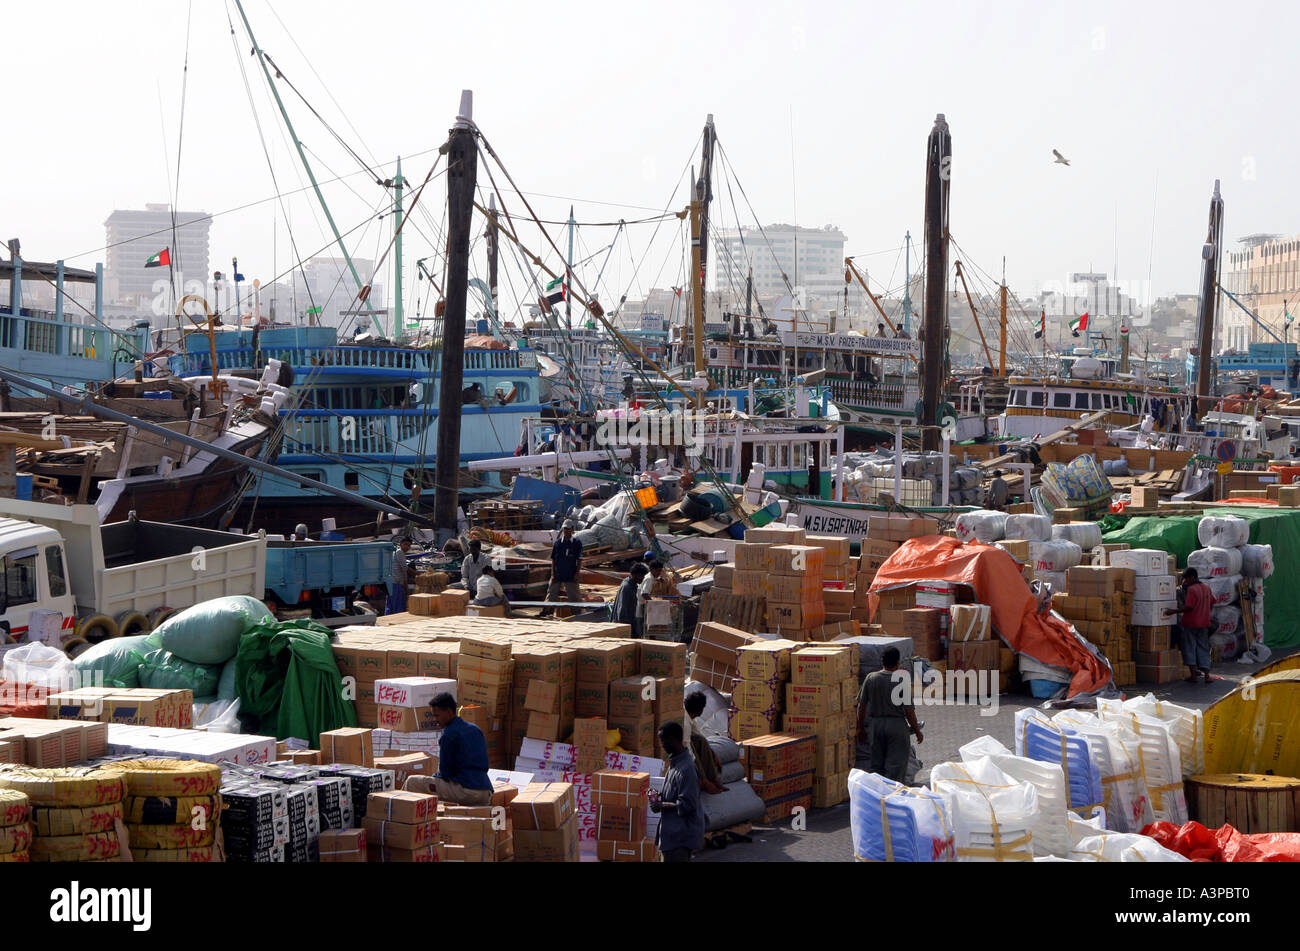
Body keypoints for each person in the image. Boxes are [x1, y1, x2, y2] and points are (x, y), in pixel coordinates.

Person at [403, 693, 494, 805]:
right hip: (485, 792)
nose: (435, 720)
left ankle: (400, 817)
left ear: (449, 712)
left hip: (466, 791)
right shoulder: (475, 729)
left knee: (413, 782)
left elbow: (445, 773)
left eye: (437, 716)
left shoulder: (449, 735)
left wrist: (433, 777)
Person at [856, 647, 923, 783]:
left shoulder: (871, 678)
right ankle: (892, 798)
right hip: (896, 727)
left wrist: (860, 728)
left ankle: (878, 796)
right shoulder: (901, 681)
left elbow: (861, 707)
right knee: (896, 768)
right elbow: (909, 711)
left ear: (882, 661)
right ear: (898, 663)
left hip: (876, 727)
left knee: (876, 767)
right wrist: (917, 730)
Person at [651, 721, 705, 862]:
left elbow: (687, 804)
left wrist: (661, 805)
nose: (662, 745)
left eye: (663, 741)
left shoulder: (687, 770)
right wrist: (658, 796)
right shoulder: (675, 765)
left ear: (672, 740)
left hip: (679, 839)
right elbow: (672, 794)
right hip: (669, 836)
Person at [1165, 567, 1213, 684]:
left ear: (1192, 578)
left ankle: (1194, 677)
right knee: (1203, 648)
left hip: (1191, 623)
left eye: (1186, 579)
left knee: (1189, 648)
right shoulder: (1206, 588)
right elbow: (1212, 602)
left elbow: (1189, 607)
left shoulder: (1192, 590)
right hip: (1204, 623)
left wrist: (1173, 611)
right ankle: (1207, 676)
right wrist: (1205, 612)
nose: (1184, 582)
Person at [684, 692, 726, 795]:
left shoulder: (689, 717)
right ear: (700, 710)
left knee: (700, 740)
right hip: (681, 752)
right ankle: (704, 782)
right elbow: (687, 750)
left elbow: (700, 736)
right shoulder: (685, 723)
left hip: (687, 745)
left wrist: (712, 754)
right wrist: (701, 776)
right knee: (692, 751)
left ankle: (713, 778)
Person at [545, 523, 583, 617]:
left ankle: (577, 613)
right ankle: (546, 611)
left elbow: (580, 559)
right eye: (565, 529)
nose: (566, 531)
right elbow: (553, 559)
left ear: (572, 529)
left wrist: (577, 573)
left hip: (570, 573)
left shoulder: (576, 543)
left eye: (568, 529)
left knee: (574, 596)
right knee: (551, 593)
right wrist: (553, 574)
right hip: (558, 573)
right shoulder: (558, 543)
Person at [614, 563, 649, 637]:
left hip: (630, 622)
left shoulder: (632, 585)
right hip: (625, 625)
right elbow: (622, 609)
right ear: (635, 575)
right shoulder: (627, 587)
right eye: (641, 576)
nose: (643, 579)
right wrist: (626, 629)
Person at [385, 538, 412, 614]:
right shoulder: (399, 552)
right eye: (405, 544)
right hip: (395, 583)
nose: (407, 547)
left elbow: (404, 572)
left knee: (392, 605)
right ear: (401, 544)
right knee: (397, 605)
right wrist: (418, 573)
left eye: (409, 545)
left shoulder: (398, 553)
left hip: (394, 583)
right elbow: (405, 568)